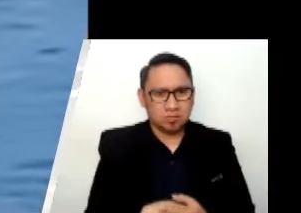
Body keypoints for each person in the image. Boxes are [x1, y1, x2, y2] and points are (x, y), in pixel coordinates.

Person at [82, 52, 255, 213]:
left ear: (193, 96)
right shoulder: (115, 145)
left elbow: (245, 209)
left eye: (182, 92)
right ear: (142, 98)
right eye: (159, 93)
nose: (172, 105)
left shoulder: (218, 144)